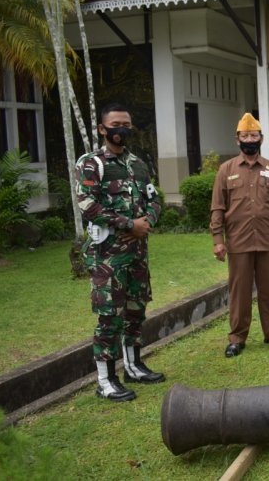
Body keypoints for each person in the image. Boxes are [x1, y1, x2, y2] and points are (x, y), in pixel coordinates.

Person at [76, 103, 164, 402]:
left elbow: (154, 198)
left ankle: (133, 366)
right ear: (102, 129)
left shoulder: (137, 164)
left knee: (135, 310)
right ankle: (105, 380)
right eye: (115, 125)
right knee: (109, 316)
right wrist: (128, 224)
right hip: (108, 257)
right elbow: (87, 205)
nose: (121, 129)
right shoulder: (92, 163)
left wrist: (147, 221)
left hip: (137, 252)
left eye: (126, 124)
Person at [210, 113, 269, 358]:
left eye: (253, 135)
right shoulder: (226, 170)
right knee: (240, 292)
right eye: (245, 136)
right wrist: (218, 240)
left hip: (267, 241)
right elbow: (217, 207)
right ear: (237, 140)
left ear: (261, 138)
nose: (249, 140)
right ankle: (237, 337)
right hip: (238, 242)